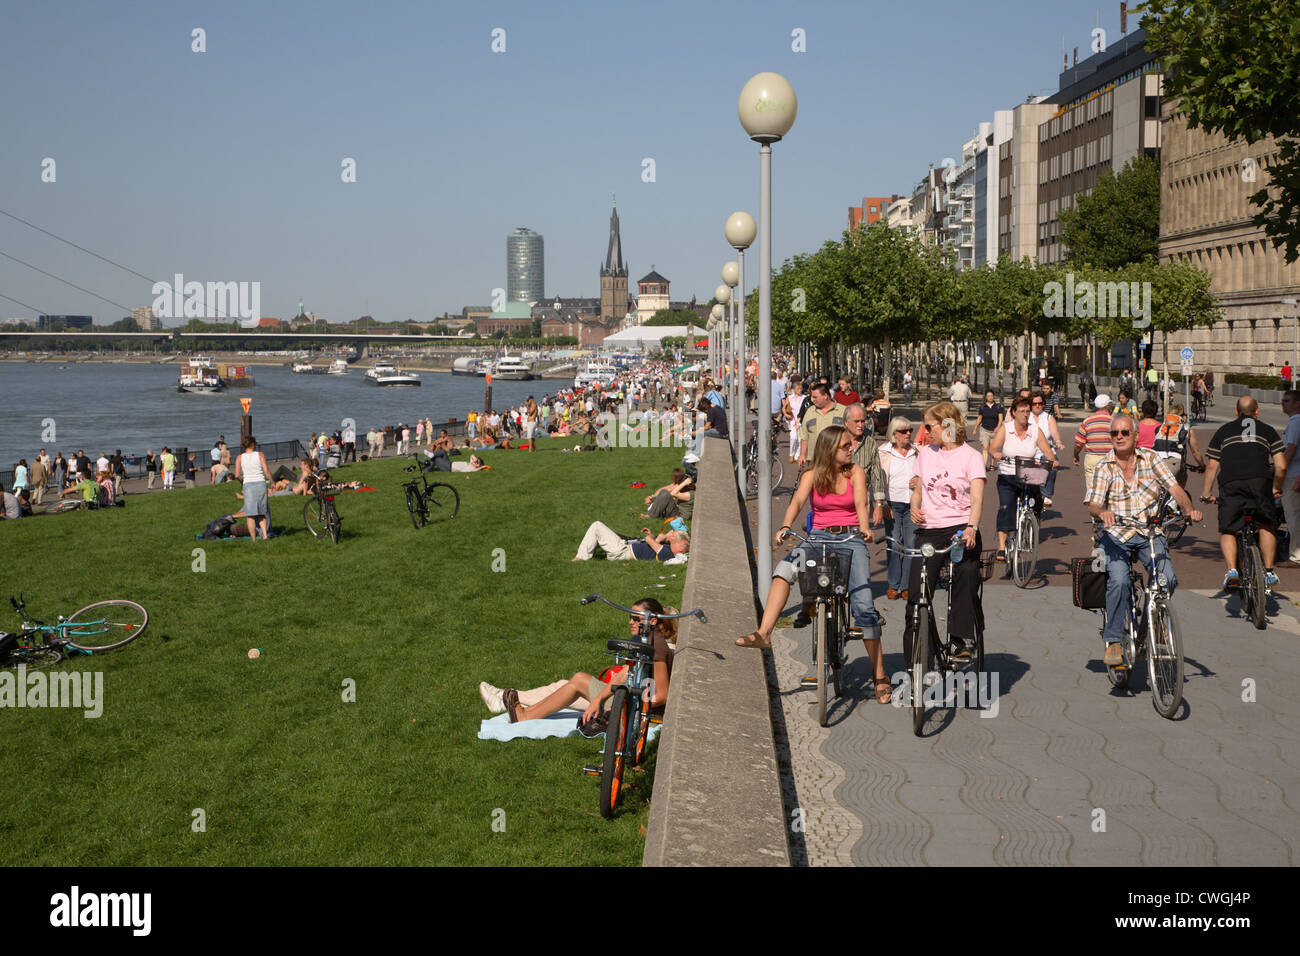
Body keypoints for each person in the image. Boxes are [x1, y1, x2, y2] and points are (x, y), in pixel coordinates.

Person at [738, 425, 888, 698]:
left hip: (850, 538)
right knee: (784, 569)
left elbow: (860, 504)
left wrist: (864, 528)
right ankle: (764, 633)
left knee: (864, 607)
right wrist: (785, 525)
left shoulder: (855, 472)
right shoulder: (812, 474)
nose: (851, 448)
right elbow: (796, 502)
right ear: (830, 449)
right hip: (817, 538)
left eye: (850, 444)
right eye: (845, 445)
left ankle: (879, 674)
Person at [1088, 414, 1202, 666]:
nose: (1119, 437)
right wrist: (1102, 512)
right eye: (1114, 433)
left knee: (1167, 579)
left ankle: (1156, 619)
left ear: (1135, 436)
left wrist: (1188, 509)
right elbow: (1094, 504)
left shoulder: (1150, 459)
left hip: (1149, 533)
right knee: (1118, 581)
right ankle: (1114, 640)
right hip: (1115, 536)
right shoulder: (1104, 466)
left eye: (1124, 432)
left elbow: (1174, 489)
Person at [498, 599, 675, 725]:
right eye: (630, 617)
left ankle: (526, 716)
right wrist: (598, 699)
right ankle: (526, 713)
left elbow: (663, 695)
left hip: (641, 711)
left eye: (636, 618)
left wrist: (629, 706)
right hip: (630, 698)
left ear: (652, 620)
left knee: (579, 681)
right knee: (578, 680)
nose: (631, 621)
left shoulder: (657, 647)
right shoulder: (643, 640)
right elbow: (623, 675)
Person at [909, 401, 986, 660]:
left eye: (929, 425)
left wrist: (971, 528)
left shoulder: (971, 457)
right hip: (929, 530)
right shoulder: (926, 454)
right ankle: (917, 653)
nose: (925, 430)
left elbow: (976, 500)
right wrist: (914, 506)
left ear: (946, 424)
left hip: (960, 528)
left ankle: (960, 638)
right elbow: (918, 490)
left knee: (967, 573)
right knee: (917, 590)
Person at [1200, 396, 1286, 590]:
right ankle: (1270, 571)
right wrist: (1276, 487)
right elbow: (1281, 466)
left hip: (1232, 483)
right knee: (1266, 523)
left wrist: (1206, 493)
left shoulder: (1223, 431)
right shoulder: (1268, 430)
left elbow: (1212, 465)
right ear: (1257, 412)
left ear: (1236, 412)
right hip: (1260, 481)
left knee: (1229, 529)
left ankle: (1232, 571)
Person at [989, 396, 1057, 561]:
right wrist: (997, 454)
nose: (1025, 414)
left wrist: (1053, 460)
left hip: (1028, 474)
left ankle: (1030, 524)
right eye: (1022, 411)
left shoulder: (1035, 431)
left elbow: (1047, 451)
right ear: (1013, 412)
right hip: (1008, 473)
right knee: (1006, 506)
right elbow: (993, 448)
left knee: (1036, 502)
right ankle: (1001, 546)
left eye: (1028, 411)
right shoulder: (1006, 428)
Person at [879, 416, 919, 601]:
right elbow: (877, 480)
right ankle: (893, 584)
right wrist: (881, 503)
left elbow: (929, 474)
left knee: (911, 545)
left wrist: (921, 481)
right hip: (892, 503)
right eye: (904, 431)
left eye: (910, 430)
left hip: (913, 503)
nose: (908, 434)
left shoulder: (919, 451)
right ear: (894, 434)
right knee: (894, 543)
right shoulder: (883, 452)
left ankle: (906, 585)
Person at [572, 522, 689, 561]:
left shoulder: (668, 553)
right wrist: (654, 536)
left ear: (680, 544)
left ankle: (581, 558)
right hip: (624, 547)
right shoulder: (666, 549)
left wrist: (662, 537)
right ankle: (588, 551)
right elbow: (652, 542)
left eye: (673, 533)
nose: (671, 534)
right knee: (601, 533)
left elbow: (649, 541)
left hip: (621, 552)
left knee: (597, 525)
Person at [1152, 402, 1205, 487]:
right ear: (1183, 416)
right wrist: (1202, 466)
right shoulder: (1186, 428)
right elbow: (1195, 452)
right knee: (1181, 482)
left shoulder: (1161, 427)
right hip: (1174, 462)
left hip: (1156, 461)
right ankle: (1178, 499)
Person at [797, 381, 844, 471]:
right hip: (814, 460)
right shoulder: (810, 411)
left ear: (825, 396)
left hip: (835, 460)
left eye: (815, 397)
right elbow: (804, 435)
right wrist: (802, 455)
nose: (812, 400)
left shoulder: (842, 411)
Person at [1074, 394, 1115, 496]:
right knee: (1111, 491)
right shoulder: (1114, 422)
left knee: (1092, 492)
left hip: (1092, 458)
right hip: (1110, 458)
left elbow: (1079, 444)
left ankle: (1095, 509)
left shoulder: (1087, 421)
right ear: (1108, 406)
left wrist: (1076, 455)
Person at [233, 436, 272, 540]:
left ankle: (253, 539)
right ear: (253, 444)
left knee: (250, 515)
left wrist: (242, 482)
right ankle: (265, 535)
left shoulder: (239, 457)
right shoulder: (260, 455)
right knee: (262, 512)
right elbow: (266, 471)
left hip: (248, 484)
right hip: (260, 483)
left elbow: (236, 475)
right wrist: (272, 482)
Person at [1031, 392, 1064, 506]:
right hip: (1029, 451)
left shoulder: (1048, 417)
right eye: (1034, 403)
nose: (1037, 405)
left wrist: (1058, 442)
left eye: (1040, 403)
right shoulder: (1026, 416)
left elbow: (1055, 433)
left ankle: (1046, 495)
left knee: (1052, 465)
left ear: (1043, 404)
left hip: (1046, 451)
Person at [976, 390, 1003, 471]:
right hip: (984, 429)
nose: (990, 397)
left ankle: (992, 464)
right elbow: (979, 418)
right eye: (988, 396)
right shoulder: (982, 407)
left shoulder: (998, 407)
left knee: (993, 449)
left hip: (995, 430)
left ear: (993, 396)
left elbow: (1000, 419)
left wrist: (998, 427)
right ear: (986, 397)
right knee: (985, 447)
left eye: (991, 396)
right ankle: (984, 465)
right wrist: (975, 428)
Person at [784, 378, 807, 464]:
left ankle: (797, 456)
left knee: (799, 439)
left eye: (800, 389)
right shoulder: (790, 398)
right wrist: (786, 415)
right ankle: (791, 454)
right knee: (793, 437)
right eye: (798, 389)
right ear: (794, 389)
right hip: (792, 421)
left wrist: (800, 421)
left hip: (801, 420)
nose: (799, 390)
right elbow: (784, 408)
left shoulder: (804, 398)